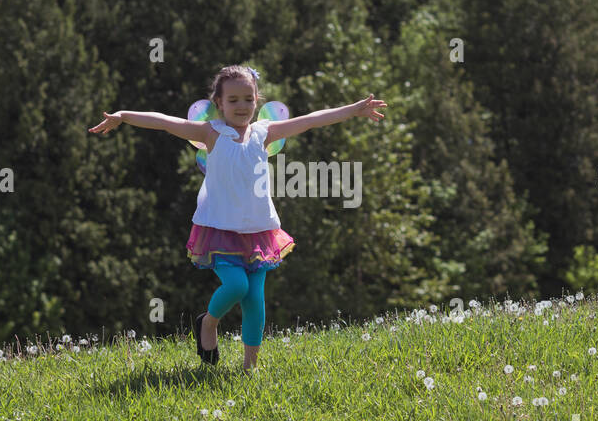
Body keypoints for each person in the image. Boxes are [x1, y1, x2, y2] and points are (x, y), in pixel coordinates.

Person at [90, 64, 385, 372]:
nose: (241, 106)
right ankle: (208, 323)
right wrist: (124, 116)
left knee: (255, 300)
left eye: (248, 99)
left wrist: (353, 110)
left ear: (257, 100)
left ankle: (250, 367)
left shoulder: (265, 132)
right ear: (218, 103)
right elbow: (165, 122)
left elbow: (311, 121)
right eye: (233, 100)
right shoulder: (210, 133)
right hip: (219, 231)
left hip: (259, 232)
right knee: (236, 287)